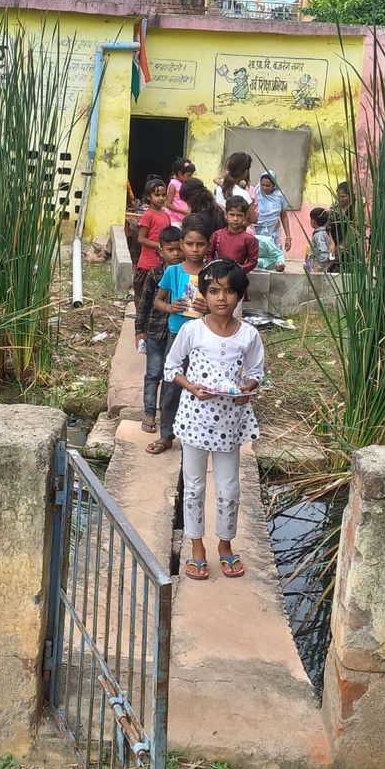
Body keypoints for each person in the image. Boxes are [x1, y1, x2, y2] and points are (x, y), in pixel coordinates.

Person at [164, 259, 264, 580]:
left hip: (229, 424)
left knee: (229, 488)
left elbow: (256, 372)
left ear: (241, 295)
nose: (222, 298)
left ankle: (225, 544)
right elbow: (171, 368)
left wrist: (247, 388)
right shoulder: (192, 330)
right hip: (195, 419)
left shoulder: (248, 335)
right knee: (193, 486)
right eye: (214, 291)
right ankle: (197, 547)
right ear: (203, 294)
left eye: (230, 291)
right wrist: (191, 387)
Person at [148, 216, 210, 456]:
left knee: (201, 385)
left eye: (200, 244)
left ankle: (196, 434)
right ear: (182, 244)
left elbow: (222, 301)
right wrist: (170, 307)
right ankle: (166, 435)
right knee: (172, 385)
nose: (195, 249)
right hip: (177, 336)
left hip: (204, 338)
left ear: (207, 246)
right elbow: (157, 300)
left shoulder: (211, 272)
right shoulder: (173, 271)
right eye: (190, 244)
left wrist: (209, 308)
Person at [135, 226, 184, 435]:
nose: (175, 254)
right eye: (170, 250)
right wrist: (139, 330)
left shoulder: (186, 274)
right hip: (155, 331)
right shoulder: (155, 274)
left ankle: (166, 416)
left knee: (170, 375)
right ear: (161, 251)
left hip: (177, 334)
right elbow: (144, 303)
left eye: (178, 249)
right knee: (153, 373)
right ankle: (149, 413)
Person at [133, 176, 171, 308]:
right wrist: (159, 246)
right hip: (147, 264)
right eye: (157, 195)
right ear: (149, 197)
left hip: (162, 265)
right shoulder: (148, 215)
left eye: (163, 195)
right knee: (143, 298)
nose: (161, 198)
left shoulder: (166, 215)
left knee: (158, 298)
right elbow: (141, 238)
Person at [207, 196, 258, 274]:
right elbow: (209, 255)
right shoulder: (217, 235)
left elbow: (253, 261)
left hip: (237, 276)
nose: (235, 219)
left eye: (239, 215)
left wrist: (239, 268)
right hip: (218, 274)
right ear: (226, 215)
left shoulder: (249, 239)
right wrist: (213, 268)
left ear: (245, 217)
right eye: (232, 214)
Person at [214, 152, 258, 225]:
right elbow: (253, 219)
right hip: (234, 229)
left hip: (217, 226)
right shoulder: (243, 194)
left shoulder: (219, 184)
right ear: (246, 172)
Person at [255, 170, 291, 256]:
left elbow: (284, 216)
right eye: (262, 185)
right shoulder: (255, 194)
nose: (264, 188)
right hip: (256, 232)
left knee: (275, 257)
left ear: (274, 185)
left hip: (273, 233)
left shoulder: (279, 196)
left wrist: (288, 237)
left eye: (268, 185)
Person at [328, 181, 354, 271]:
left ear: (351, 196)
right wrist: (331, 242)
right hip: (333, 242)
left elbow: (353, 232)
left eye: (343, 196)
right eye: (338, 196)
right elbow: (328, 225)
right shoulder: (334, 207)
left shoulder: (355, 209)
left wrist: (339, 249)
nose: (340, 199)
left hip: (349, 247)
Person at [165, 158, 196, 225]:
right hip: (174, 219)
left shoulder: (185, 184)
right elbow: (168, 204)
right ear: (179, 174)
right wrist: (184, 212)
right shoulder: (173, 185)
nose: (191, 177)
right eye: (189, 175)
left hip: (183, 218)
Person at [304, 207, 331, 272]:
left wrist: (318, 267)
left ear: (313, 221)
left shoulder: (319, 235)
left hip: (317, 268)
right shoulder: (323, 232)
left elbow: (324, 252)